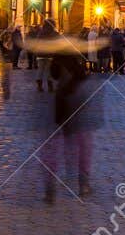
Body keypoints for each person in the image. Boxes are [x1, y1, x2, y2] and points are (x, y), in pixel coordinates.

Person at [43, 51, 102, 202]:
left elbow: (54, 76)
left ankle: (50, 185)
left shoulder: (57, 61)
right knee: (84, 146)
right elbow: (83, 79)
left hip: (60, 106)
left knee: (54, 147)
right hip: (77, 106)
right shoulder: (76, 61)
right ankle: (83, 183)